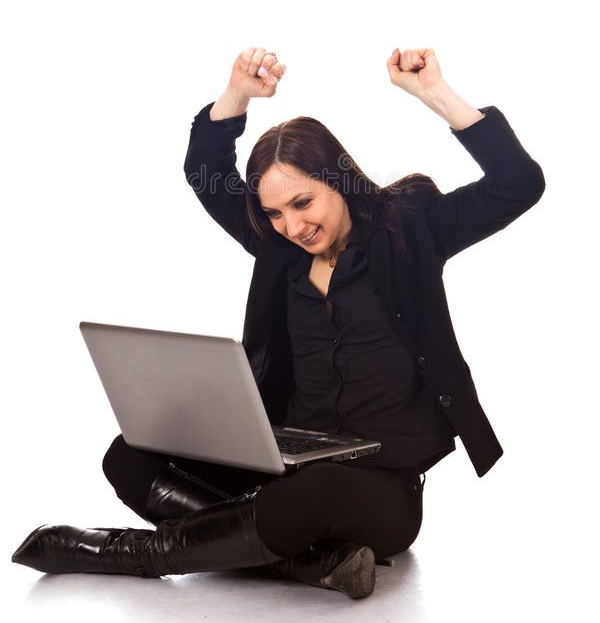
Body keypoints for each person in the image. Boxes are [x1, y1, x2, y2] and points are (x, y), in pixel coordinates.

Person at [12, 45, 545, 599]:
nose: (291, 225)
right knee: (128, 454)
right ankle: (310, 564)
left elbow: (518, 183)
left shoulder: (410, 228)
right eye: (273, 213)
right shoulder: (278, 249)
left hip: (378, 488)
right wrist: (238, 93)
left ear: (340, 181)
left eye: (303, 202)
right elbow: (205, 170)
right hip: (285, 465)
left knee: (309, 496)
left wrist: (433, 93)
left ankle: (124, 554)